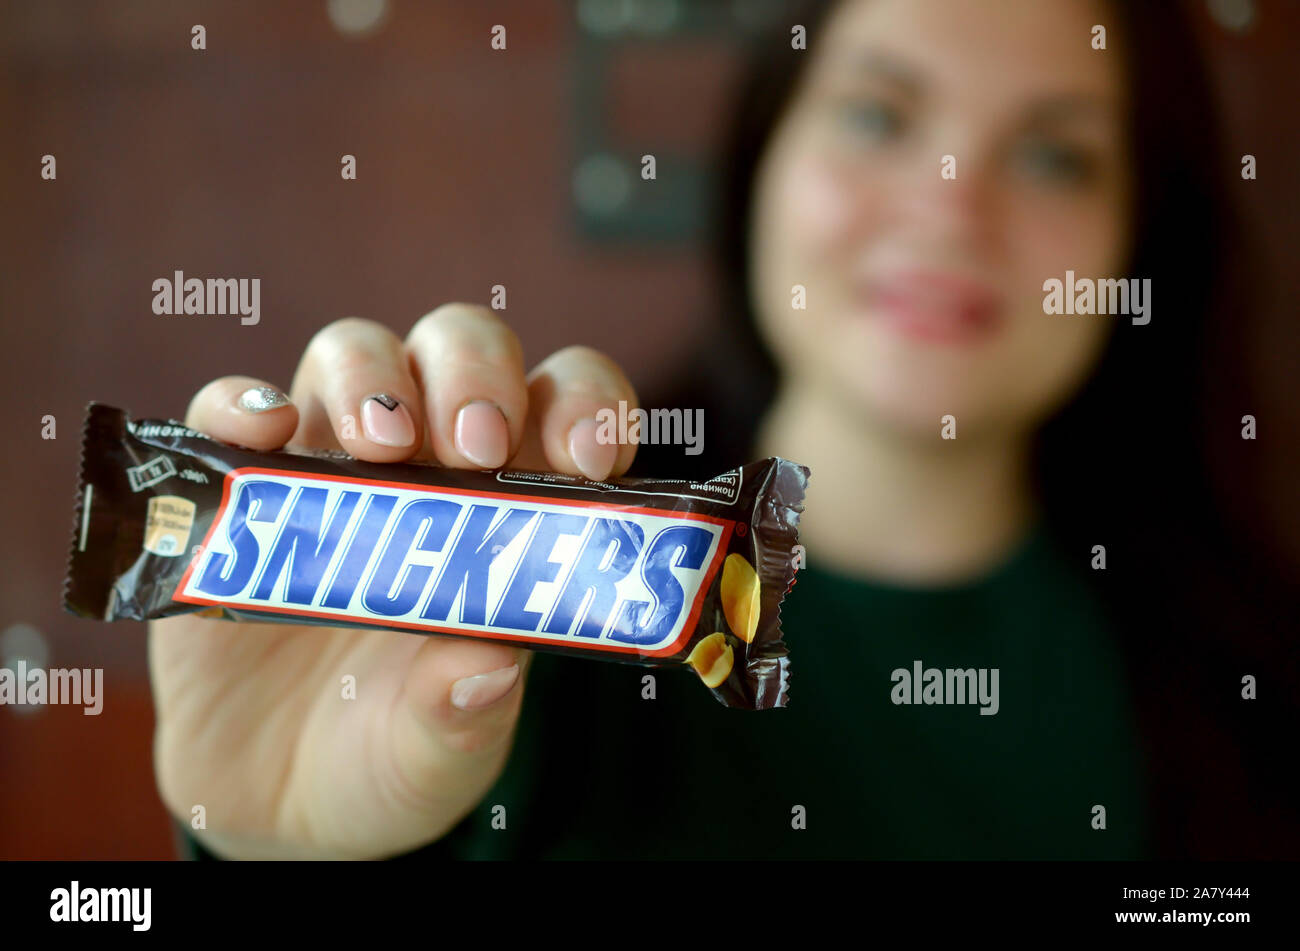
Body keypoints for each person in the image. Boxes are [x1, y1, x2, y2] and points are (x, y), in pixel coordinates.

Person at [160, 0, 1298, 860]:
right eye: (877, 114)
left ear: (1140, 243)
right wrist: (271, 848)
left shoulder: (1248, 695)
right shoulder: (522, 628)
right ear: (762, 161)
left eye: (1054, 153)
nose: (952, 201)